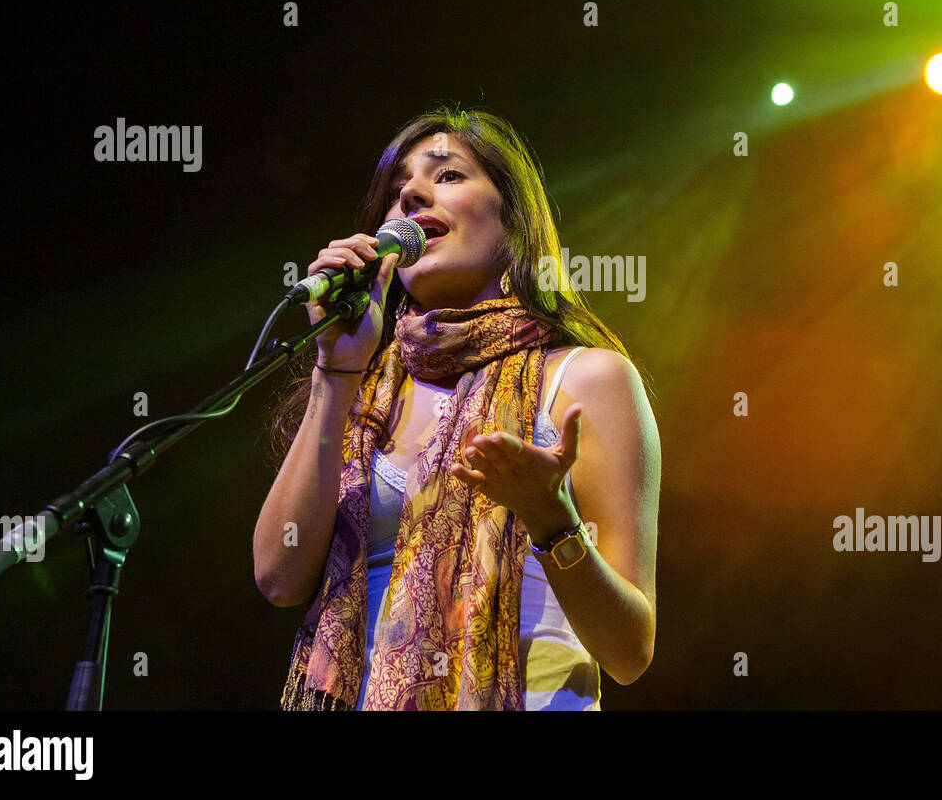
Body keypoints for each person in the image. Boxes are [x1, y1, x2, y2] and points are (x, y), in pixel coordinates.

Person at [254, 106, 660, 710]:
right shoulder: (364, 392)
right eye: (397, 192)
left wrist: (551, 519)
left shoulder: (588, 378)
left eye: (446, 176)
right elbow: (280, 579)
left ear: (514, 220)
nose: (412, 193)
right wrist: (335, 369)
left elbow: (629, 653)